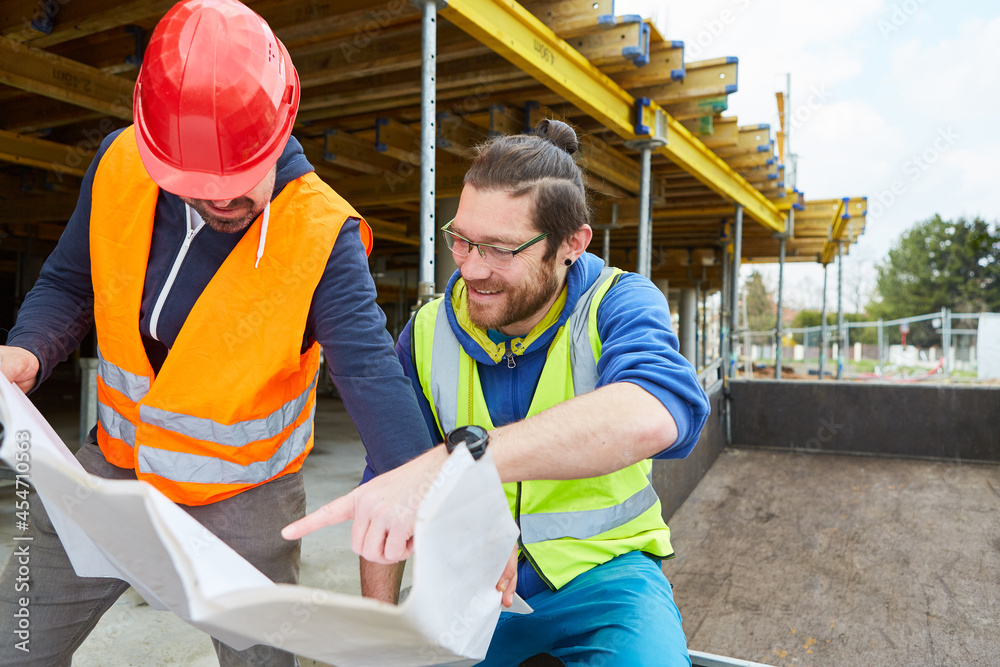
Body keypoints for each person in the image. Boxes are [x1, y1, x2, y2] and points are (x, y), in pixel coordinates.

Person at [0, 1, 432, 664]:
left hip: (247, 501)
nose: (222, 201)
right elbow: (68, 281)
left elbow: (370, 370)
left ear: (281, 125)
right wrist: (29, 346)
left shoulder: (321, 231)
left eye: (238, 183)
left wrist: (423, 486)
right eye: (200, 188)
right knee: (16, 640)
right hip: (112, 468)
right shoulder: (119, 166)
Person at [284, 119, 712, 666]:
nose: (472, 268)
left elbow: (654, 413)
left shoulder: (618, 304)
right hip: (473, 585)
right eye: (461, 240)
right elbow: (388, 484)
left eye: (501, 250)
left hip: (607, 579)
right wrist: (384, 633)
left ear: (571, 244)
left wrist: (462, 462)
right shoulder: (425, 332)